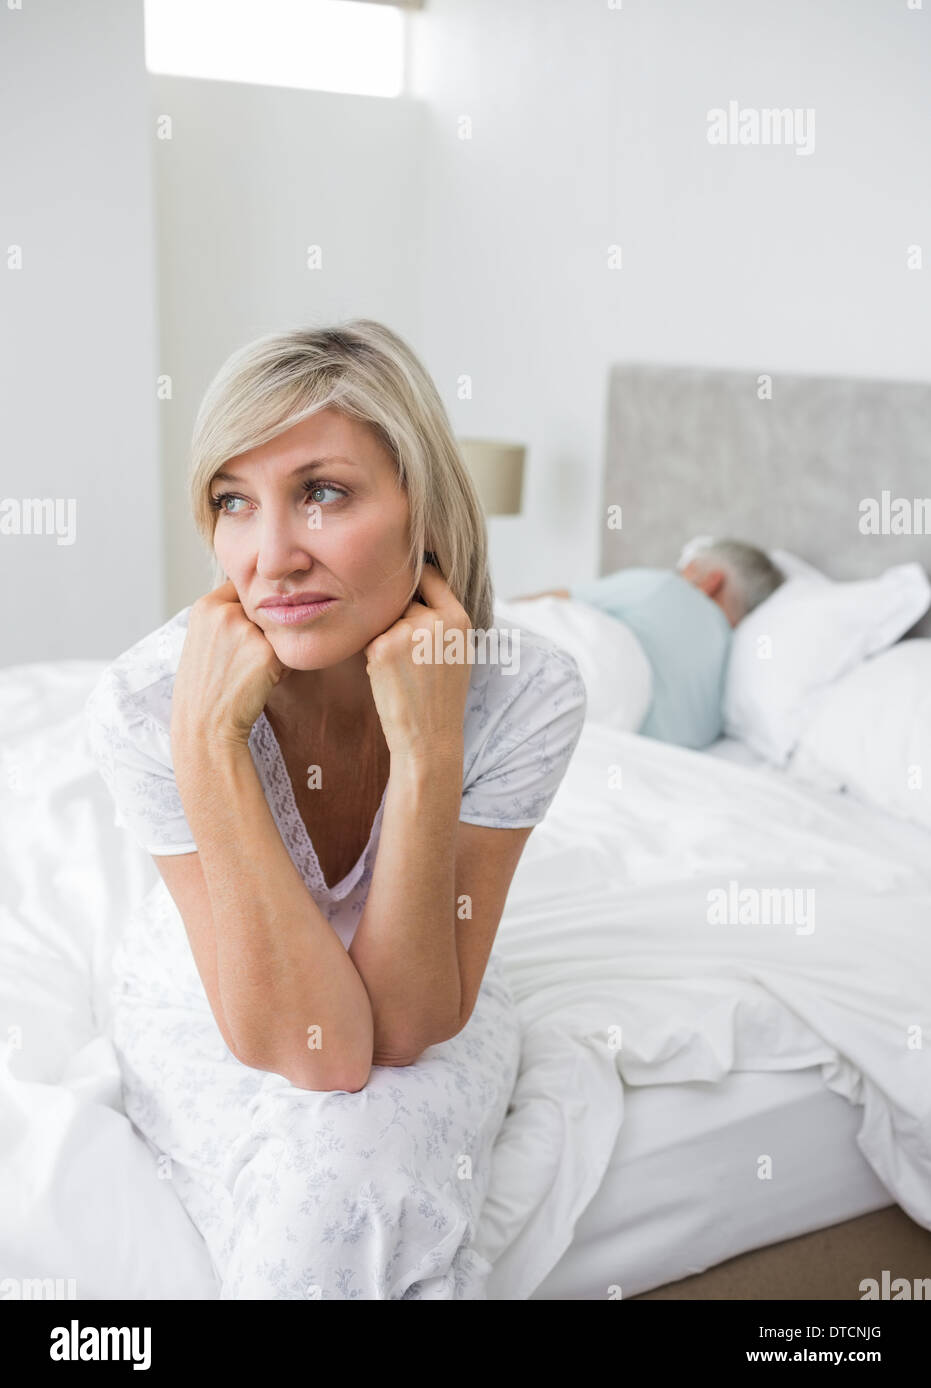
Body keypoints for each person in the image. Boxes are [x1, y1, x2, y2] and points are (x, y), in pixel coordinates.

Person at [84, 319, 587, 1299]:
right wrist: (208, 752)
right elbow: (311, 1051)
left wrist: (429, 750)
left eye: (321, 493)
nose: (269, 557)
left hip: (423, 983)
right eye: (233, 501)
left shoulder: (528, 695)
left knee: (364, 1175)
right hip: (223, 983)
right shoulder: (147, 704)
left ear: (424, 510)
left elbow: (398, 1028)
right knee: (330, 1182)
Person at [516, 539, 784, 749]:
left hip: (584, 677)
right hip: (615, 736)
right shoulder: (720, 695)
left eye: (687, 568)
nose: (679, 572)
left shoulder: (665, 586)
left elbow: (551, 600)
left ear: (710, 581)